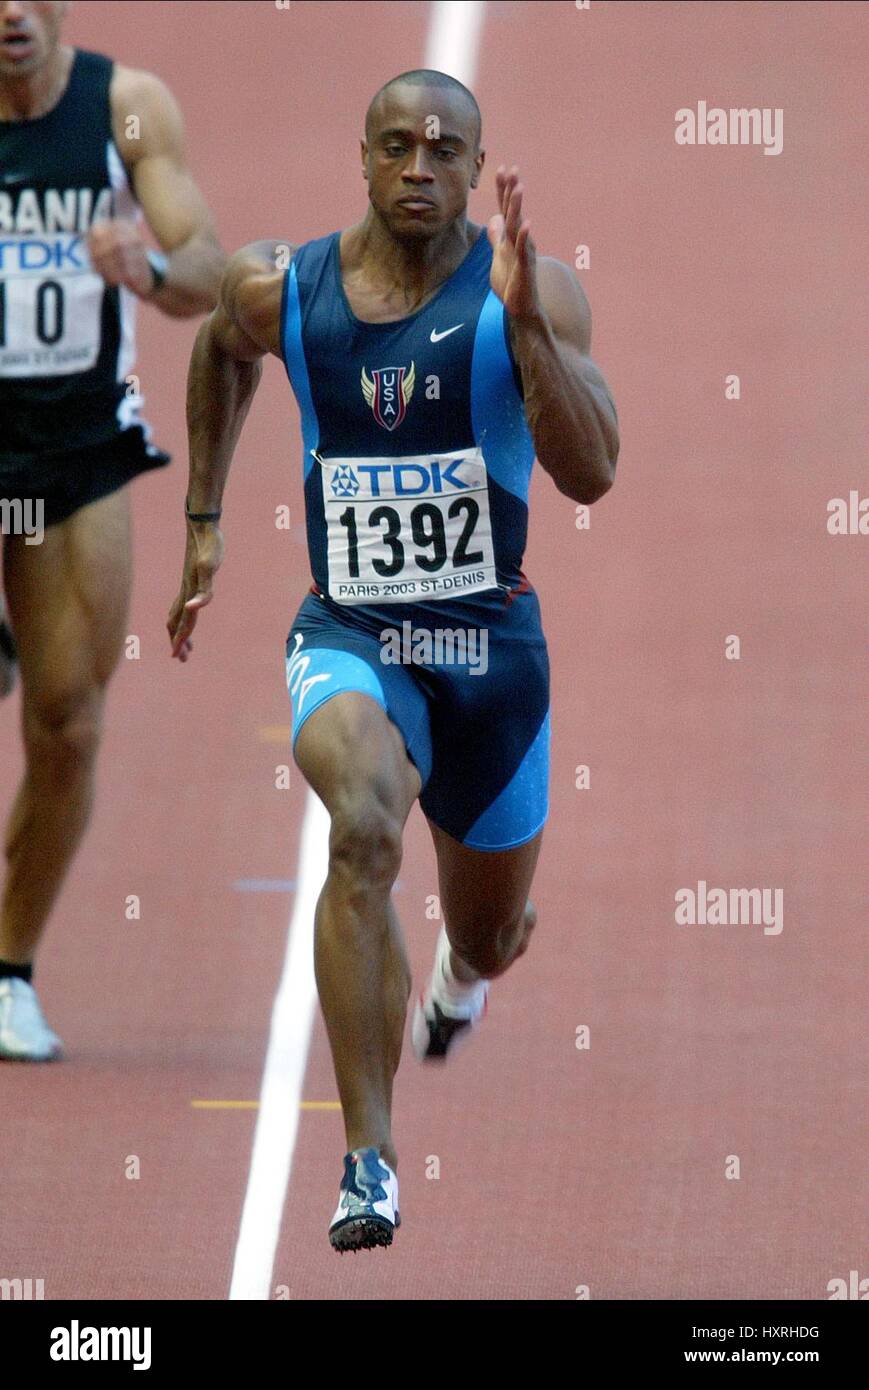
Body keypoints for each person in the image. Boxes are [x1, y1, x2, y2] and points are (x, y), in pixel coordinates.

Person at [168, 69, 619, 1252]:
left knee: (488, 934)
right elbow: (220, 348)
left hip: (490, 655)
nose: (418, 166)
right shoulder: (283, 285)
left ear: (478, 168)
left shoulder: (535, 289)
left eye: (443, 149)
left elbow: (592, 473)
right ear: (359, 158)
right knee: (361, 826)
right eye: (395, 146)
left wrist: (523, 332)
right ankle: (368, 1157)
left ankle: (458, 982)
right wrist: (204, 518)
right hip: (353, 631)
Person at [0, 0, 223, 1059]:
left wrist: (149, 269)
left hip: (75, 452)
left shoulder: (126, 112)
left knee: (68, 723)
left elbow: (209, 268)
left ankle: (8, 970)